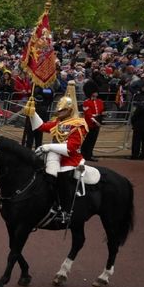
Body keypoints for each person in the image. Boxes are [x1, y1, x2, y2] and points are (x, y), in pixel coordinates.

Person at [28, 91, 87, 225]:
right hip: (56, 156)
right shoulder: (59, 123)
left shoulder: (78, 125)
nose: (59, 112)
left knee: (63, 177)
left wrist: (48, 146)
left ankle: (65, 211)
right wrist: (32, 112)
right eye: (59, 110)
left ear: (69, 110)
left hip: (70, 158)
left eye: (62, 110)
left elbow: (70, 148)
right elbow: (40, 126)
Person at [81, 80, 104, 161]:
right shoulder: (86, 102)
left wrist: (102, 116)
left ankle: (89, 154)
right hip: (89, 123)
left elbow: (100, 112)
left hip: (96, 123)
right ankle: (85, 154)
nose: (97, 93)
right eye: (95, 92)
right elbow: (88, 114)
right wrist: (95, 122)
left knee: (93, 140)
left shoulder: (100, 101)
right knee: (87, 140)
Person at [130, 83, 144, 160]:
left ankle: (135, 155)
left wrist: (133, 123)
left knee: (136, 142)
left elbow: (134, 116)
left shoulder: (141, 106)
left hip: (138, 126)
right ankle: (143, 155)